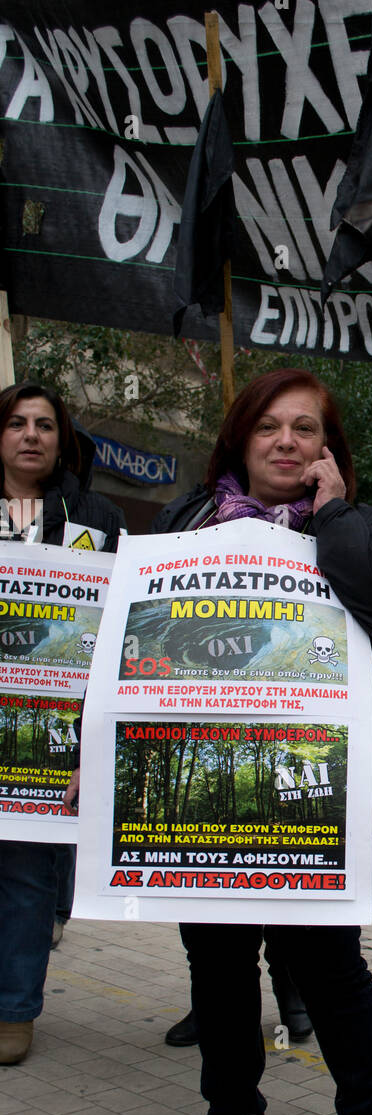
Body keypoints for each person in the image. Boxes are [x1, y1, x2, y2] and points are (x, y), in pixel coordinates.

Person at [148, 367, 372, 1115]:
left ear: (327, 450)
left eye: (305, 429)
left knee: (331, 973)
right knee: (219, 967)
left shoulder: (358, 524)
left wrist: (337, 516)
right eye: (269, 426)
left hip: (315, 791)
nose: (285, 442)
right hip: (205, 786)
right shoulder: (187, 523)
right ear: (239, 439)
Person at [0, 381, 123, 1065]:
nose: (31, 436)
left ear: (62, 437)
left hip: (53, 731)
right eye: (16, 423)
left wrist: (94, 737)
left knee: (24, 874)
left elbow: (116, 628)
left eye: (45, 424)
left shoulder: (96, 517)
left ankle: (14, 1011)